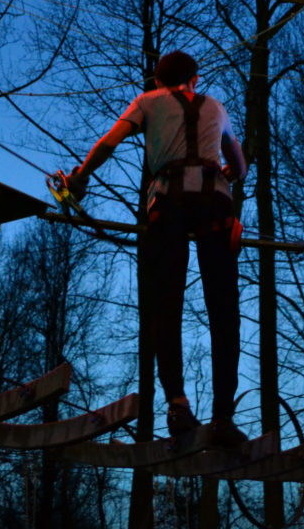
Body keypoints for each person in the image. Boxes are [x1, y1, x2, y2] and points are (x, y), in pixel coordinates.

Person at [51, 50, 250, 448]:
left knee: (166, 305)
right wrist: (228, 171)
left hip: (169, 205)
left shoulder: (148, 102)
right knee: (224, 311)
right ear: (194, 78)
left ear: (159, 81)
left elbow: (110, 142)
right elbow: (240, 167)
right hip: (215, 204)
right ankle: (224, 417)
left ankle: (177, 405)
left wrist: (79, 177)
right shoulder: (217, 107)